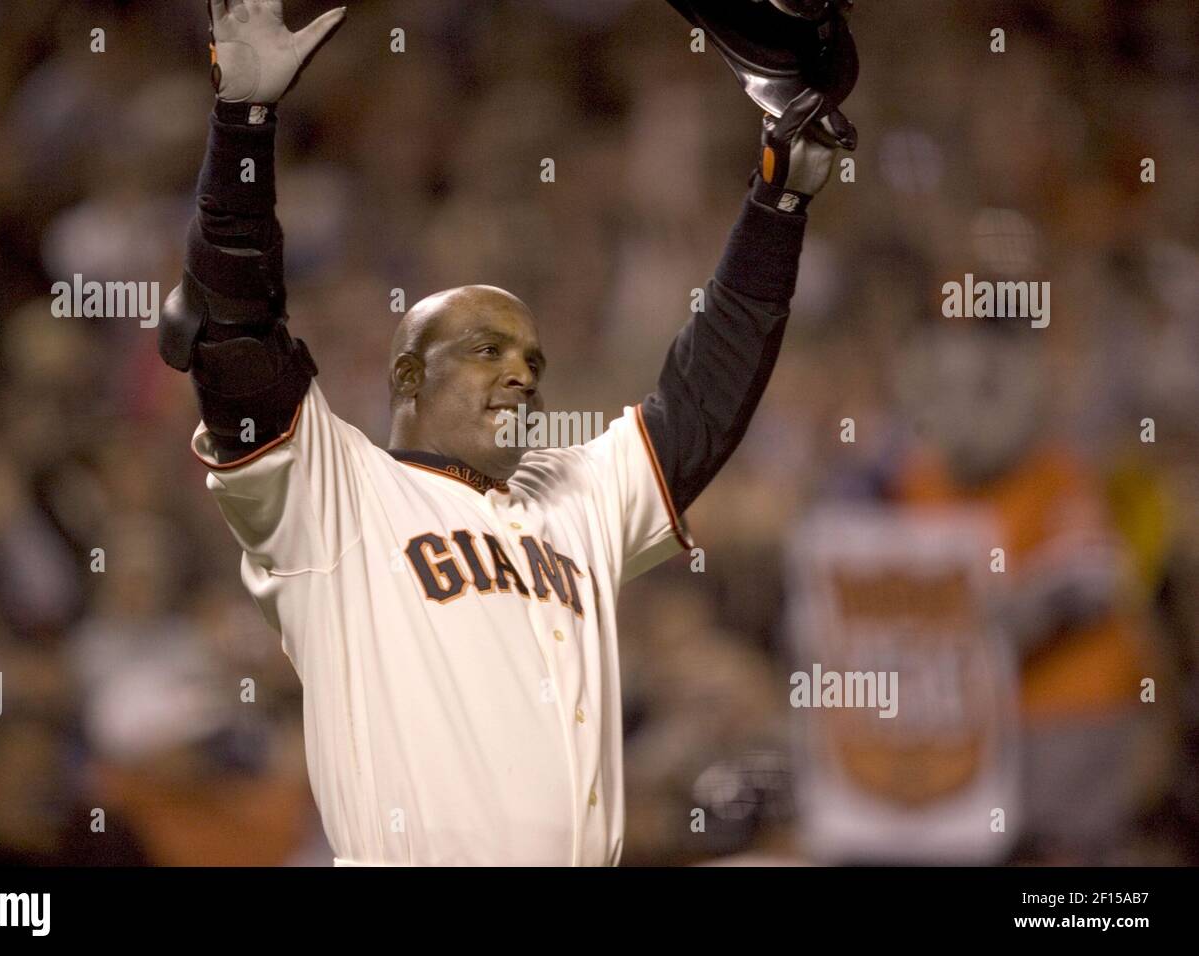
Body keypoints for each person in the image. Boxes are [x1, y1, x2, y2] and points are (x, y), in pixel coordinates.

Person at [158, 0, 855, 866]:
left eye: (532, 357)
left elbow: (703, 399)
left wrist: (780, 199)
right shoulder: (335, 494)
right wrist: (243, 125)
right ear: (407, 375)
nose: (522, 373)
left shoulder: (573, 498)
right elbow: (229, 333)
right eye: (488, 350)